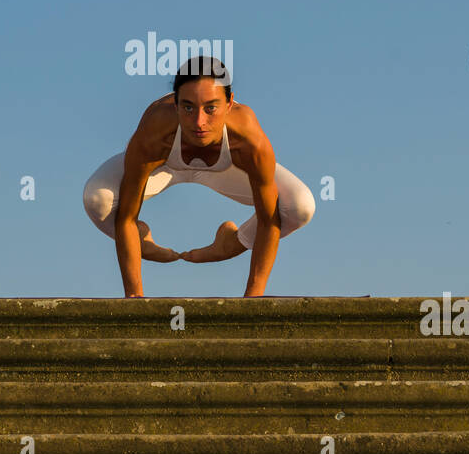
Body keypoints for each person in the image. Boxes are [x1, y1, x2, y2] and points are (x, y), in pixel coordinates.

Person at [83, 56, 315, 298]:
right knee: (96, 199)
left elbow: (268, 221)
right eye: (188, 107)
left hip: (228, 170)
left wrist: (253, 300)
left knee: (300, 206)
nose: (199, 122)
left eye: (211, 108)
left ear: (229, 104)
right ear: (175, 104)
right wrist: (135, 297)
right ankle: (137, 241)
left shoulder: (249, 141)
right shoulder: (154, 133)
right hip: (163, 168)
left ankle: (231, 242)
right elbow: (127, 218)